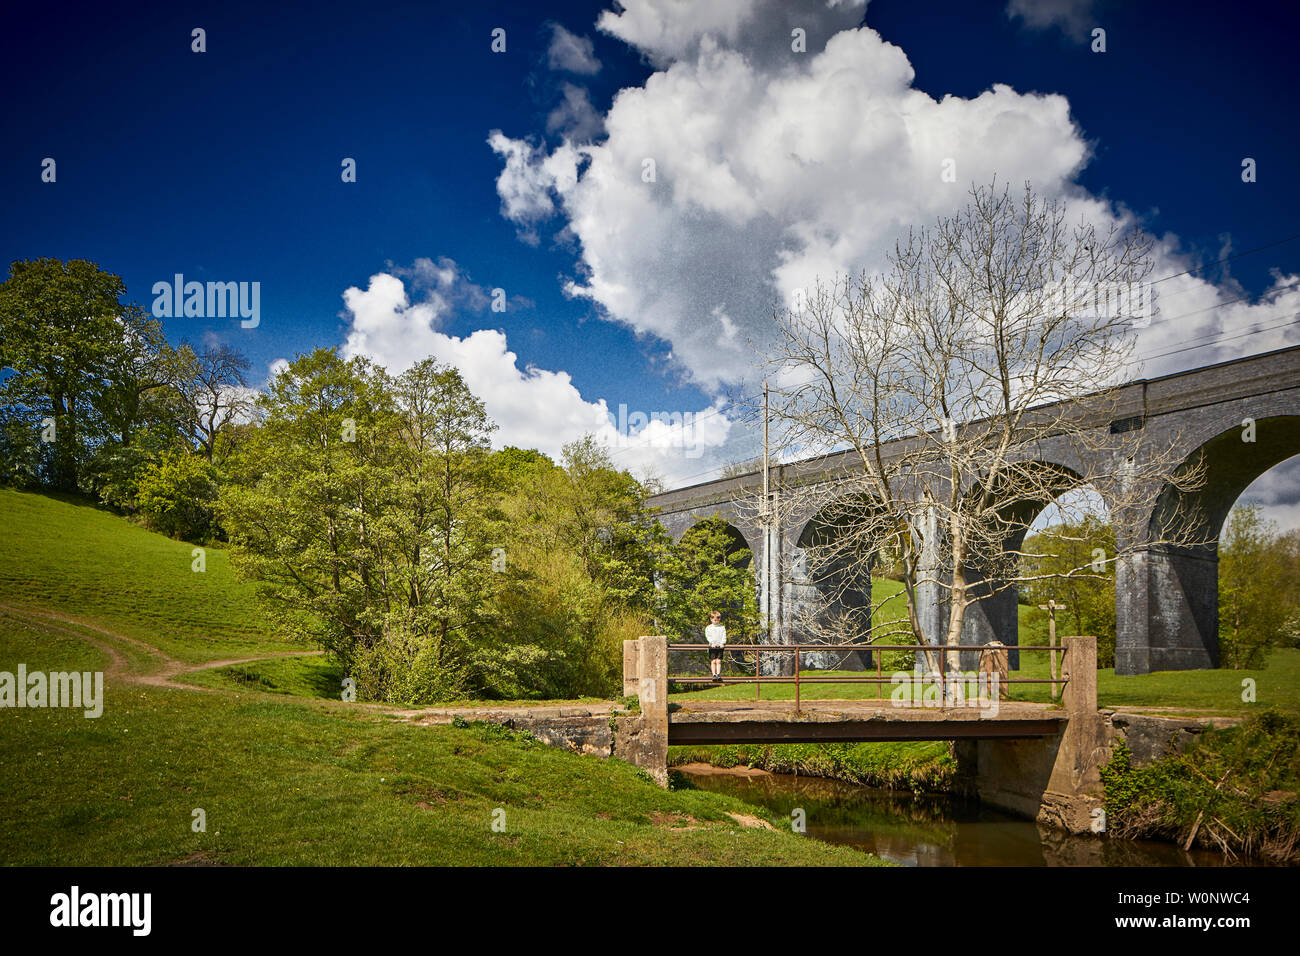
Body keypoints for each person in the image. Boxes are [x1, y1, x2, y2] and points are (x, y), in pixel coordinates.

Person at [704, 610, 727, 682]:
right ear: (711, 619)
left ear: (719, 619)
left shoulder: (722, 627)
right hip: (712, 646)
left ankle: (718, 674)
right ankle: (714, 674)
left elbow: (724, 636)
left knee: (719, 661)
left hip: (720, 646)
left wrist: (722, 643)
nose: (716, 621)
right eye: (714, 620)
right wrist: (712, 643)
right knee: (713, 661)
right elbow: (708, 636)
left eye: (717, 620)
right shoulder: (708, 628)